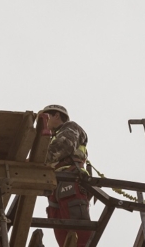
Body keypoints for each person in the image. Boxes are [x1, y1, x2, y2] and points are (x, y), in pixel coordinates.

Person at [40, 104, 91, 247]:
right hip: (57, 184)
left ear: (56, 115)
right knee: (59, 227)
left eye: (46, 118)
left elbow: (62, 147)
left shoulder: (71, 128)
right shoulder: (54, 137)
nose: (44, 122)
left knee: (78, 229)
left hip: (71, 181)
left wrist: (34, 159)